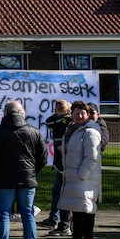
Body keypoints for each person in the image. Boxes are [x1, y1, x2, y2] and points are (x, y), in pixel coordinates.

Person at [0, 101, 45, 239]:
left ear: (5, 113)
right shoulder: (34, 132)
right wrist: (32, 172)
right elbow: (42, 158)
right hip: (27, 179)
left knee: (3, 215)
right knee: (28, 214)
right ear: (21, 113)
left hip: (3, 179)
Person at [60, 100, 103, 239]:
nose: (79, 115)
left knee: (86, 212)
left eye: (82, 113)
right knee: (79, 212)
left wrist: (81, 175)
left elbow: (92, 157)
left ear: (87, 115)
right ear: (71, 114)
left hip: (84, 180)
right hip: (76, 179)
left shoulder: (90, 131)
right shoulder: (74, 130)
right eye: (76, 113)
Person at [43, 99, 72, 231]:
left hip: (67, 161)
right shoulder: (56, 121)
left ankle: (63, 221)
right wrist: (63, 116)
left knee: (63, 192)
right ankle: (54, 218)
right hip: (59, 162)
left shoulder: (69, 122)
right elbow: (50, 121)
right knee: (57, 192)